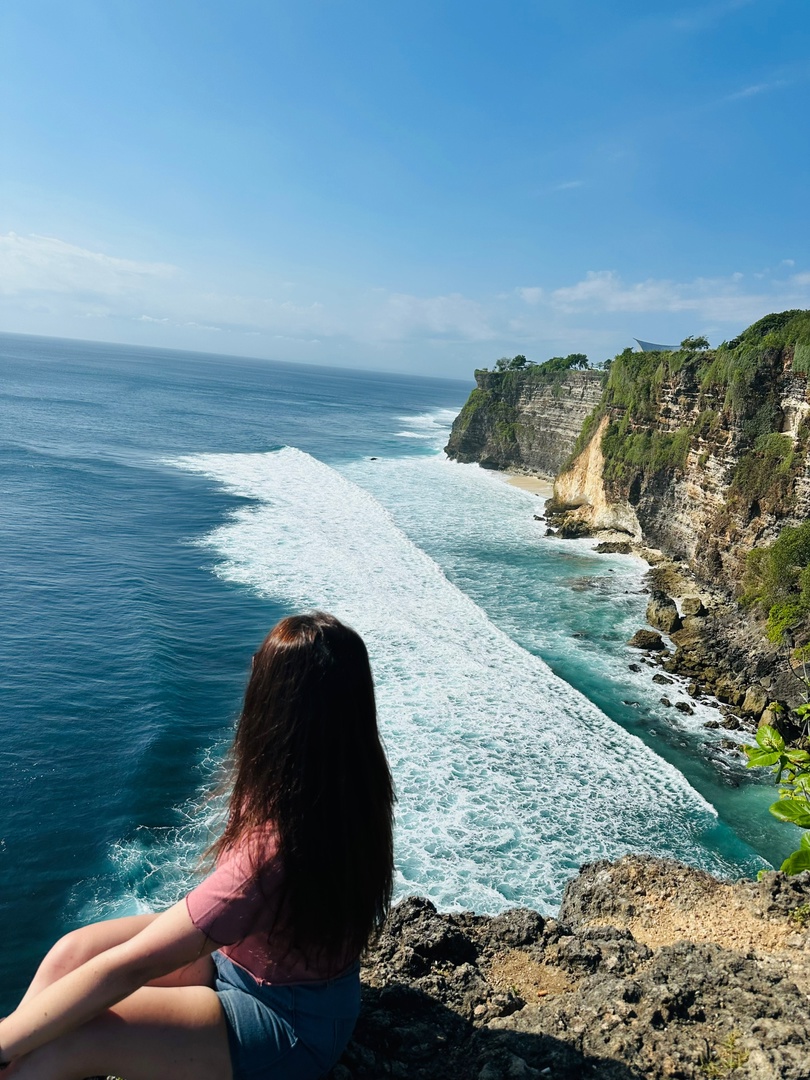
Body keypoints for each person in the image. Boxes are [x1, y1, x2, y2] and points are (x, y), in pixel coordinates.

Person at [0, 612, 395, 1080]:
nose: (250, 666)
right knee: (72, 954)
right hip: (242, 964)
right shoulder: (341, 784)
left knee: (74, 1037)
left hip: (289, 1023)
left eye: (261, 667)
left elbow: (131, 969)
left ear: (279, 703)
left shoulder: (276, 848)